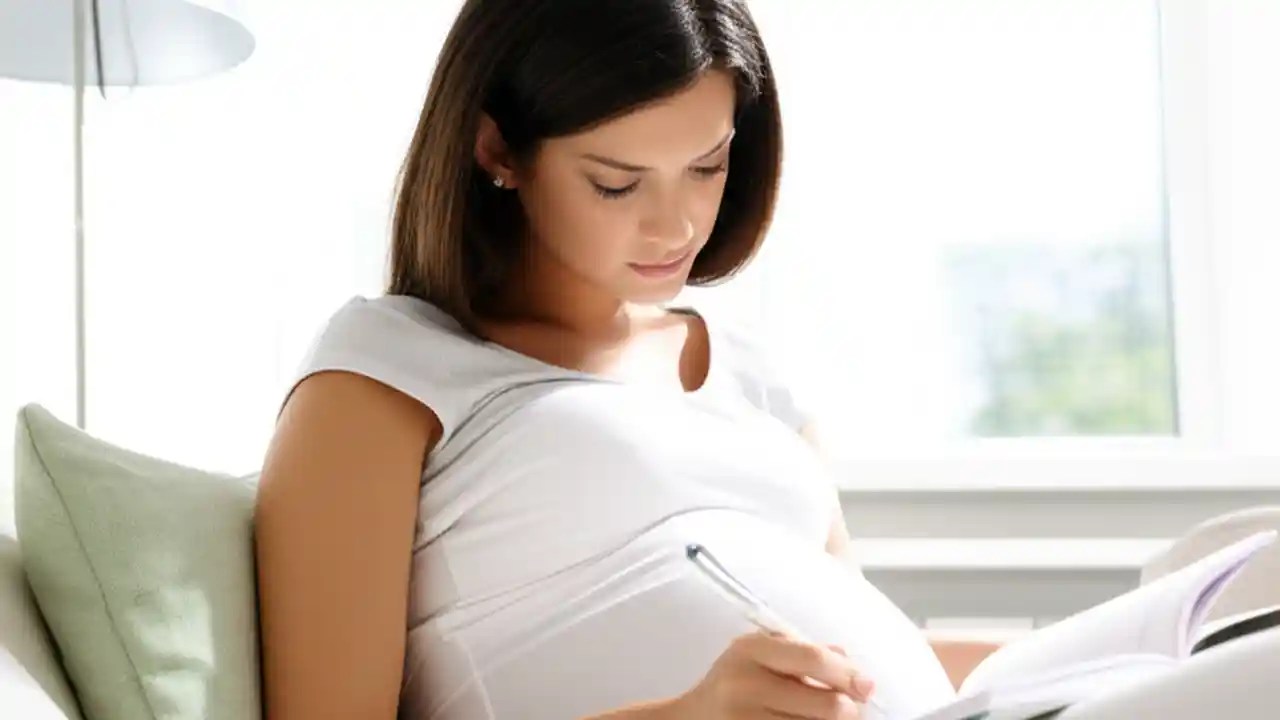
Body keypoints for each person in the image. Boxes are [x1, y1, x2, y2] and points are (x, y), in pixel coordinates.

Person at [253, 1, 962, 718]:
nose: (676, 224)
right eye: (617, 183)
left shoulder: (756, 378)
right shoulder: (391, 368)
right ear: (498, 150)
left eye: (706, 166)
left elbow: (863, 648)